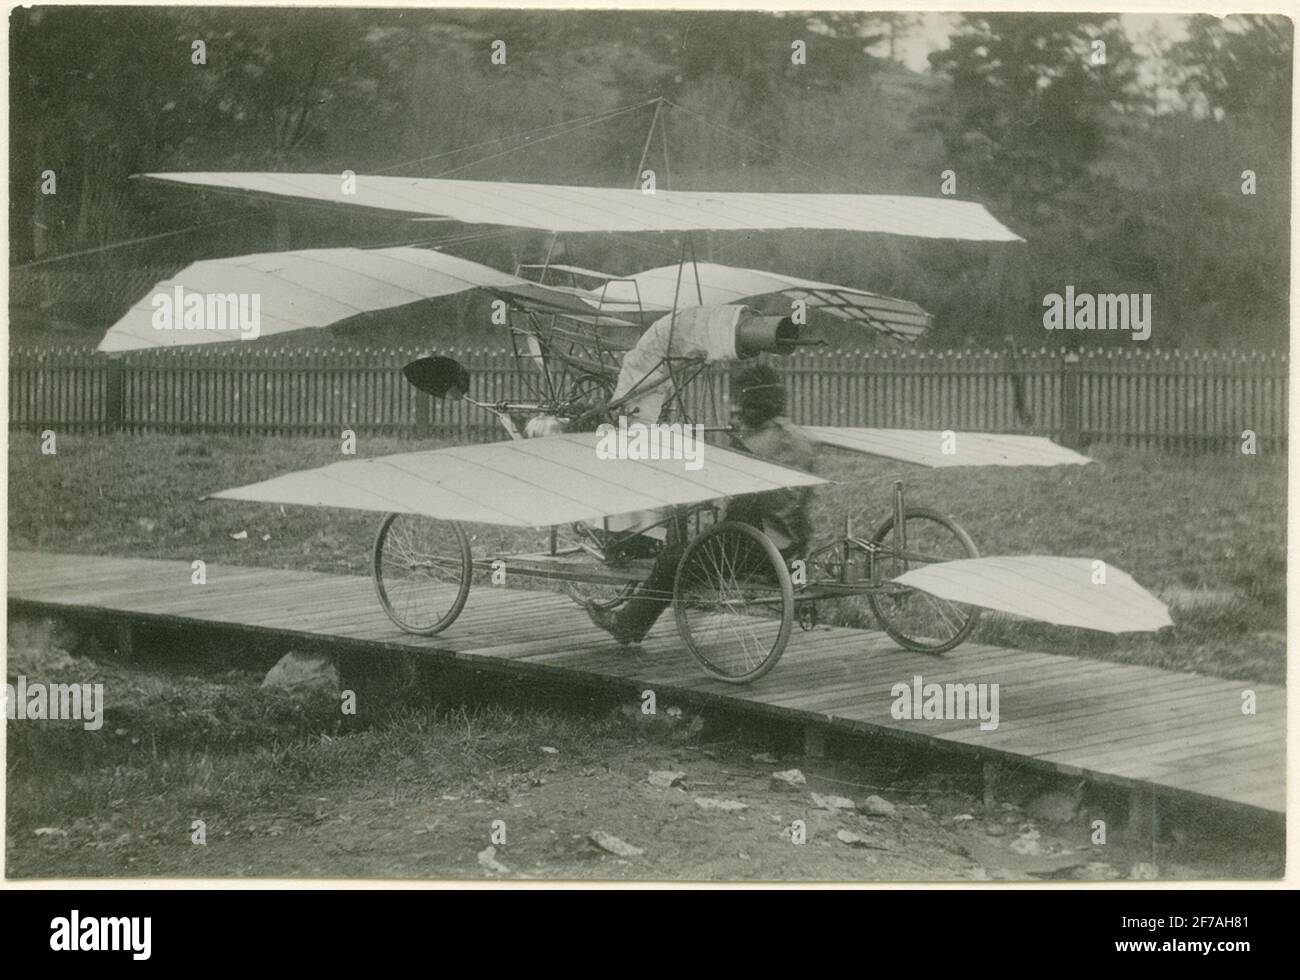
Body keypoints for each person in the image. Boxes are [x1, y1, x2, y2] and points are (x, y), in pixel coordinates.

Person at [583, 363, 816, 646]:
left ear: (751, 402)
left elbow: (729, 498)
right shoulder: (798, 437)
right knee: (695, 548)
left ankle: (628, 625)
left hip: (755, 551)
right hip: (792, 548)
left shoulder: (753, 445)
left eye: (742, 402)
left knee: (672, 560)